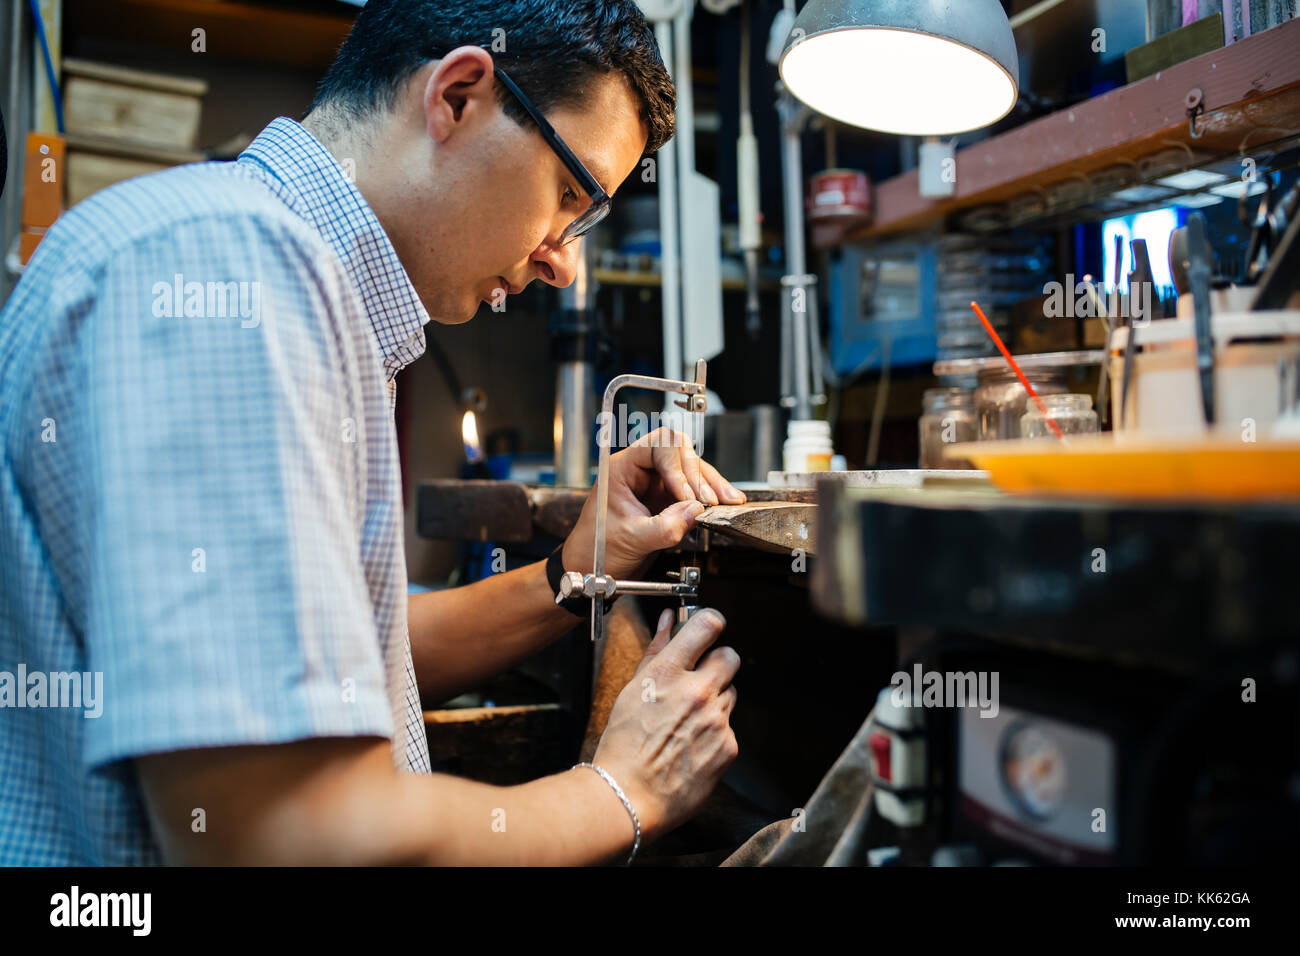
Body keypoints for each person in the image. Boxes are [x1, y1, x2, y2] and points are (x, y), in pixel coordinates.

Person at [0, 0, 744, 865]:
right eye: (570, 195)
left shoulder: (265, 270)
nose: (562, 258)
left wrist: (578, 571)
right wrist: (619, 792)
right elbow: (290, 836)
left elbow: (335, 665)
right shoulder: (231, 271)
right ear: (459, 95)